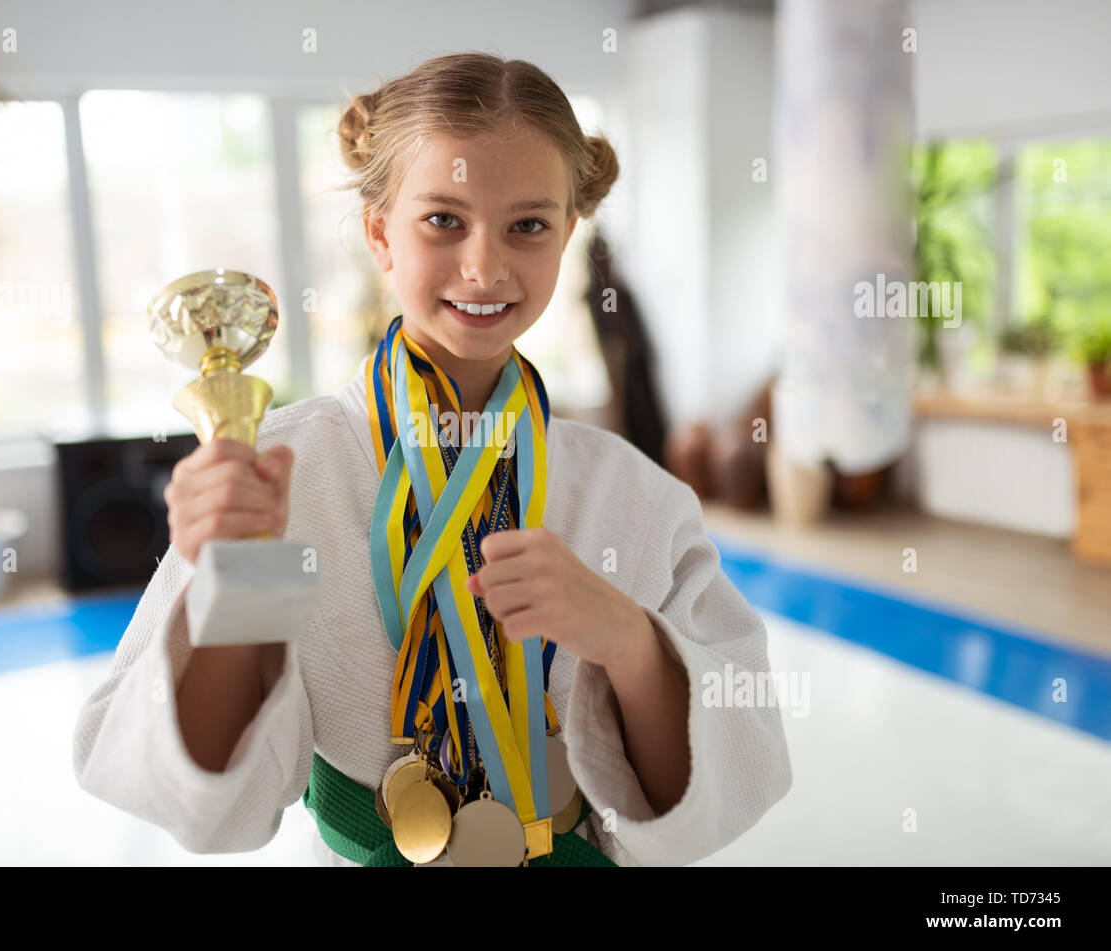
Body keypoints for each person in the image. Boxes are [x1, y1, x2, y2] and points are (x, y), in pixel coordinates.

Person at [72, 51, 792, 866]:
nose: (484, 267)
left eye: (528, 225)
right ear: (379, 230)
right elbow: (207, 810)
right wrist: (234, 581)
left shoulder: (632, 493)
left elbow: (728, 777)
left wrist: (625, 639)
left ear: (567, 233)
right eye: (443, 220)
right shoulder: (281, 474)